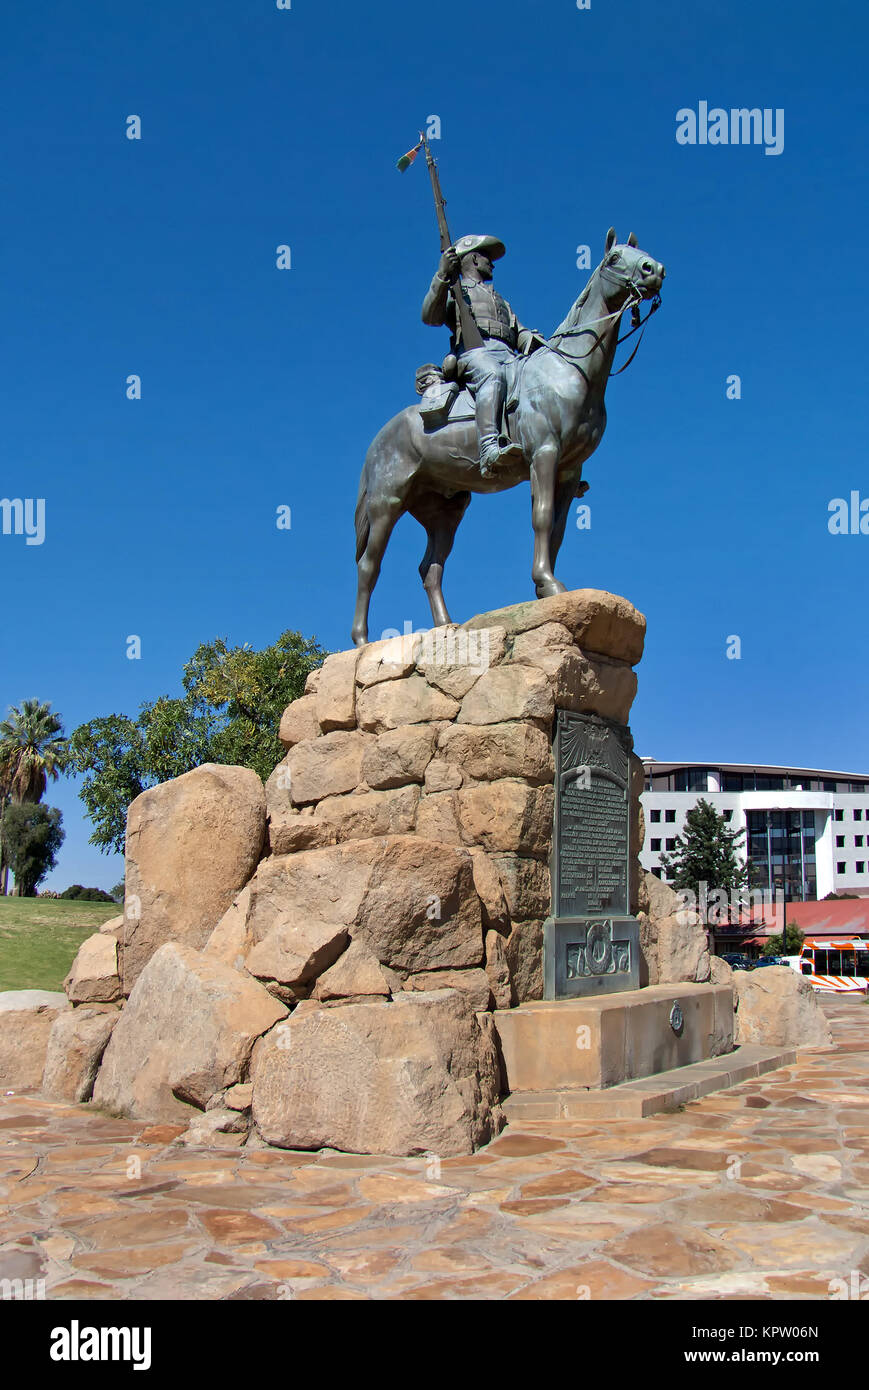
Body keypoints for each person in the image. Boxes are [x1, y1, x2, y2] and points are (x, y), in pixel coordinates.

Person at [421, 234, 541, 475]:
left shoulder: (500, 300)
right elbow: (430, 317)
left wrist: (540, 347)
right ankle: (488, 449)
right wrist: (442, 275)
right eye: (487, 258)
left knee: (540, 380)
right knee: (492, 374)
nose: (492, 263)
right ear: (474, 259)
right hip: (474, 354)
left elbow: (519, 332)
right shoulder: (455, 291)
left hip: (509, 354)